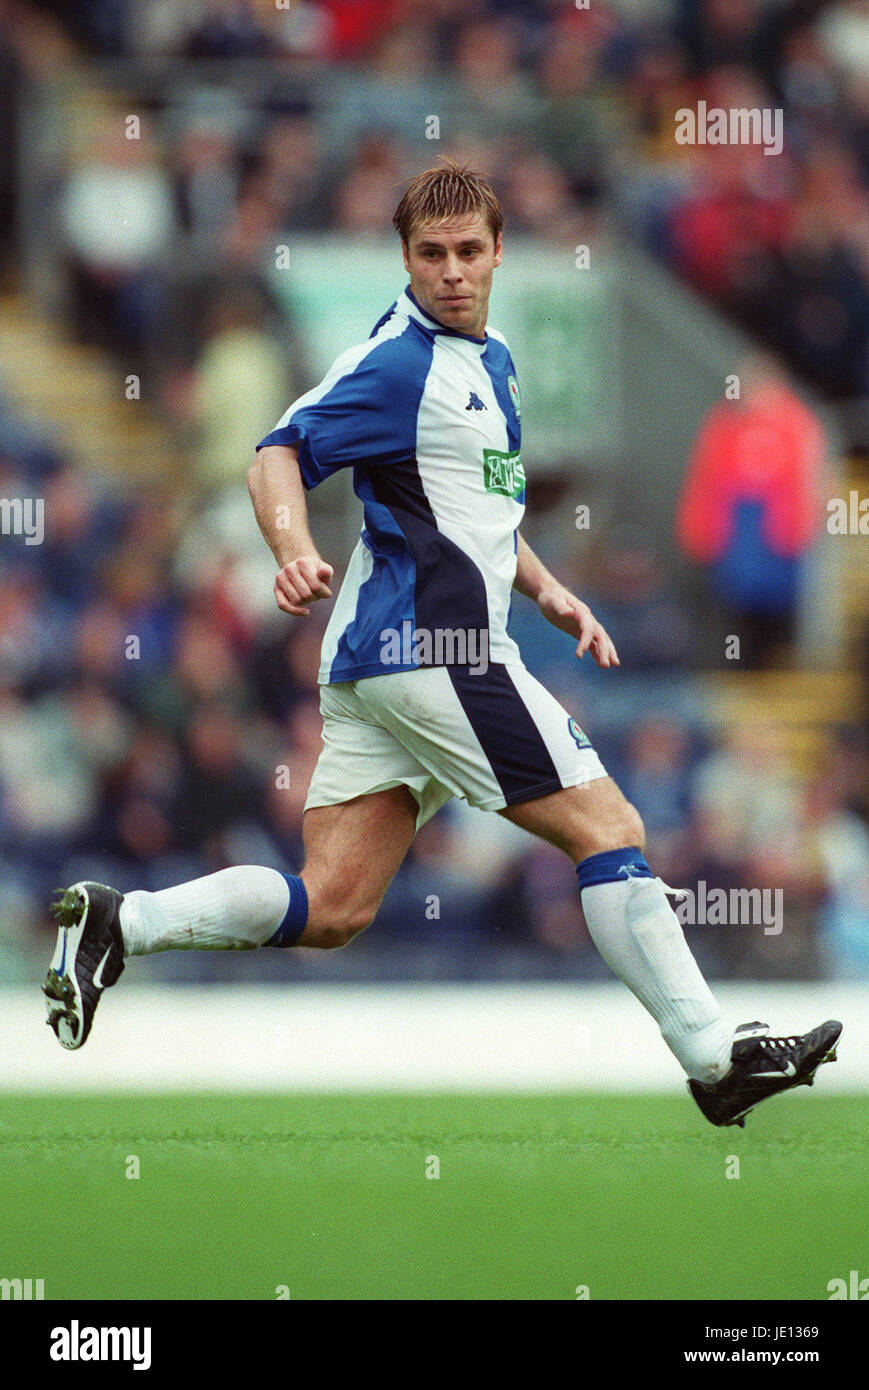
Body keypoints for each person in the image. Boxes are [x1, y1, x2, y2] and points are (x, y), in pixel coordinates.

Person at [43, 160, 841, 1127]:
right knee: (612, 831)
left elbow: (477, 506)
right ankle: (714, 1059)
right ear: (407, 259)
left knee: (330, 905)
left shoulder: (491, 359)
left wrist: (547, 590)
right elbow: (275, 454)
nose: (453, 271)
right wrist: (292, 551)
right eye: (432, 254)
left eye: (470, 251)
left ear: (499, 253)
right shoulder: (395, 364)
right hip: (438, 650)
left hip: (388, 660)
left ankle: (119, 922)